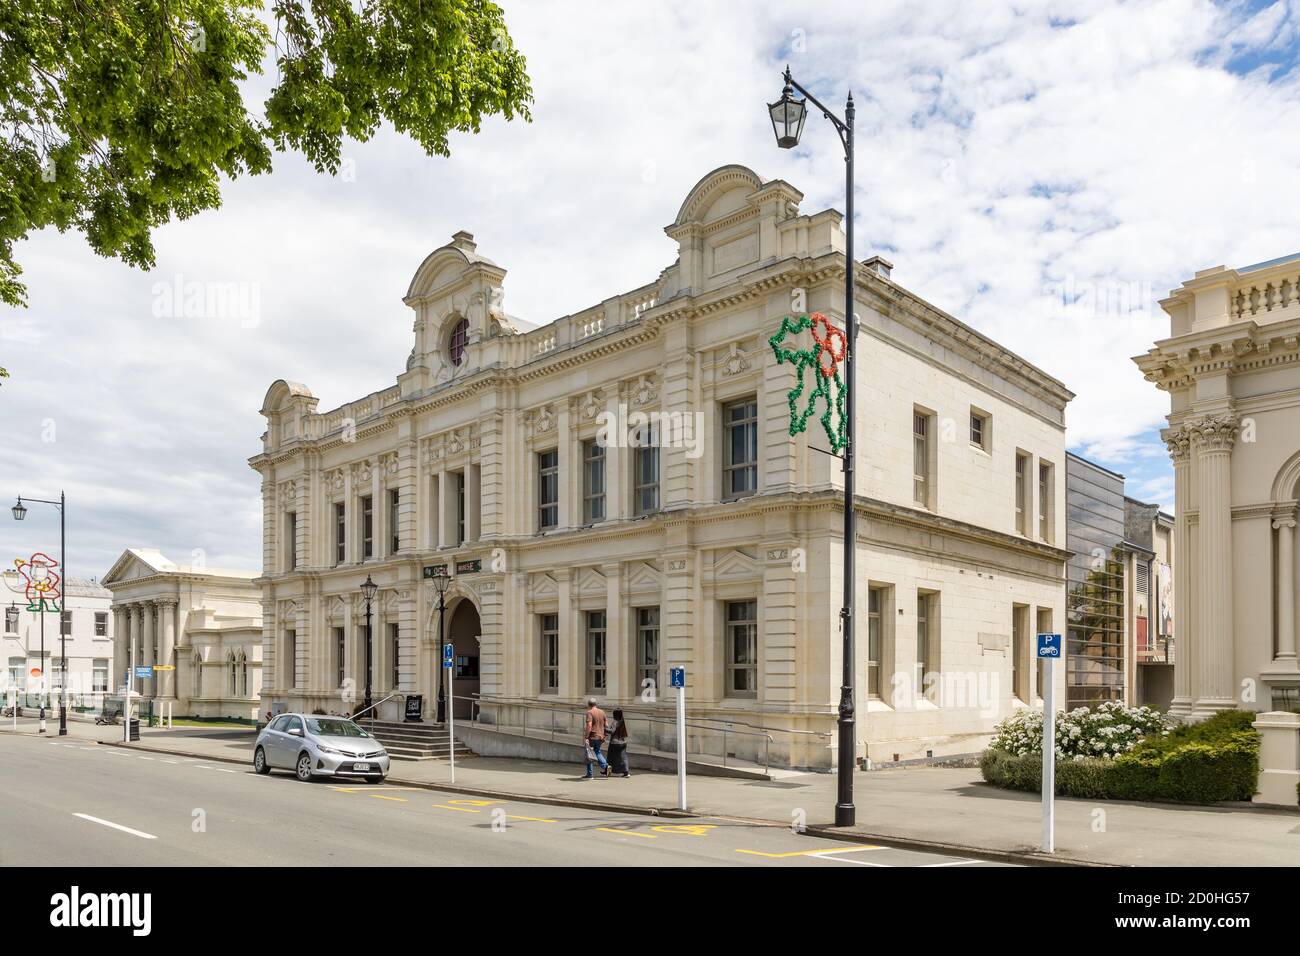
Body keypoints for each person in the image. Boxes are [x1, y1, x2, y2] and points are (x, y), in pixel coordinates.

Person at [582, 697, 608, 779]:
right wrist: (604, 735)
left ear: (588, 705)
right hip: (600, 736)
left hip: (592, 737)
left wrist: (586, 736)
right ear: (596, 704)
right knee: (597, 752)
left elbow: (589, 725)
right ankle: (606, 766)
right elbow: (606, 725)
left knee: (589, 754)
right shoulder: (602, 712)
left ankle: (590, 775)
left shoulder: (589, 712)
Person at [605, 708, 630, 778]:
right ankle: (626, 773)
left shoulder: (615, 721)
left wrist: (604, 729)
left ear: (615, 715)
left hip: (614, 743)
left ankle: (608, 772)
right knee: (623, 758)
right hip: (623, 742)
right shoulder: (622, 721)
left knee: (610, 758)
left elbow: (612, 731)